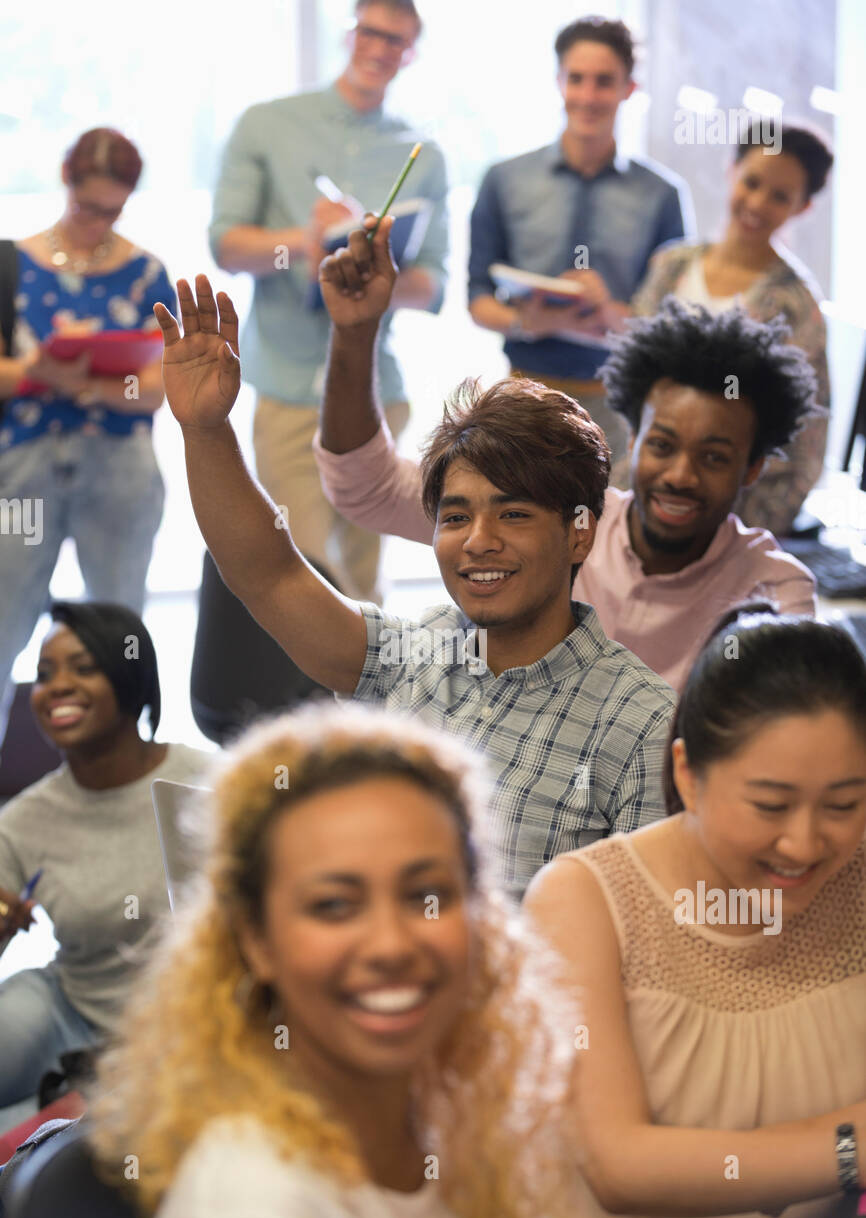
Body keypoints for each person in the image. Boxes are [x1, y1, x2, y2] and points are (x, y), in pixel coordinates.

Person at [152, 272, 675, 899]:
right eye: (455, 517)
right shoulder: (411, 655)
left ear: (580, 535)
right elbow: (269, 574)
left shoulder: (643, 724)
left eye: (513, 514)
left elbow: (649, 952)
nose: (478, 540)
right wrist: (206, 429)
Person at [87, 705, 573, 1218]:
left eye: (426, 895)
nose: (391, 944)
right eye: (334, 906)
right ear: (255, 940)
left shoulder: (457, 1134)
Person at [311, 221, 817, 693]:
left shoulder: (772, 591)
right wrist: (356, 333)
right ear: (634, 439)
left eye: (713, 458)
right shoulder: (551, 519)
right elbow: (366, 486)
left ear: (752, 468)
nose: (680, 475)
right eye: (662, 445)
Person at [525, 610, 866, 1218]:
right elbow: (621, 1167)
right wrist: (851, 1145)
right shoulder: (583, 900)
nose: (804, 844)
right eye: (770, 806)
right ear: (688, 772)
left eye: (844, 804)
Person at [209, 0, 448, 603]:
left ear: (411, 52)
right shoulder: (267, 124)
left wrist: (377, 265)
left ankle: (363, 704)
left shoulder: (423, 153)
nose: (381, 49)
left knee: (364, 592)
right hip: (289, 393)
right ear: (350, 34)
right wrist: (304, 243)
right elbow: (228, 246)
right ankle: (301, 701)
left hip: (376, 396)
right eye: (371, 32)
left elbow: (431, 286)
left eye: (397, 40)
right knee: (300, 580)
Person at [0, 602, 212, 1133]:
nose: (56, 688)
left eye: (84, 668)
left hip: (184, 1025)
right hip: (68, 1011)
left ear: (131, 676)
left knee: (55, 1141)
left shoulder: (210, 780)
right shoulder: (24, 819)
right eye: (45, 675)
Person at [0, 128, 175, 718]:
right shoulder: (9, 266)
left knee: (120, 632)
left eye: (112, 210)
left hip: (119, 466)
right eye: (87, 206)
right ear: (65, 181)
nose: (97, 222)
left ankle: (123, 782)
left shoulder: (147, 274)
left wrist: (86, 382)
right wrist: (40, 371)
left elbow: (156, 391)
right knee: (4, 627)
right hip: (24, 469)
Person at [468, 15, 693, 463]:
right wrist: (529, 323)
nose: (588, 97)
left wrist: (609, 313)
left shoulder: (663, 196)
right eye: (577, 79)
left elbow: (672, 328)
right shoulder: (502, 180)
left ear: (630, 88)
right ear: (558, 81)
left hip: (620, 408)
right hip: (520, 400)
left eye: (604, 82)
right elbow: (476, 299)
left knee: (608, 532)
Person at [606, 121, 833, 536]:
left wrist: (750, 536)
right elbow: (627, 388)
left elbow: (806, 442)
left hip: (732, 523)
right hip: (639, 505)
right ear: (732, 171)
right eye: (752, 182)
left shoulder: (799, 306)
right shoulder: (671, 266)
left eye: (780, 196)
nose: (758, 202)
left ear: (802, 207)